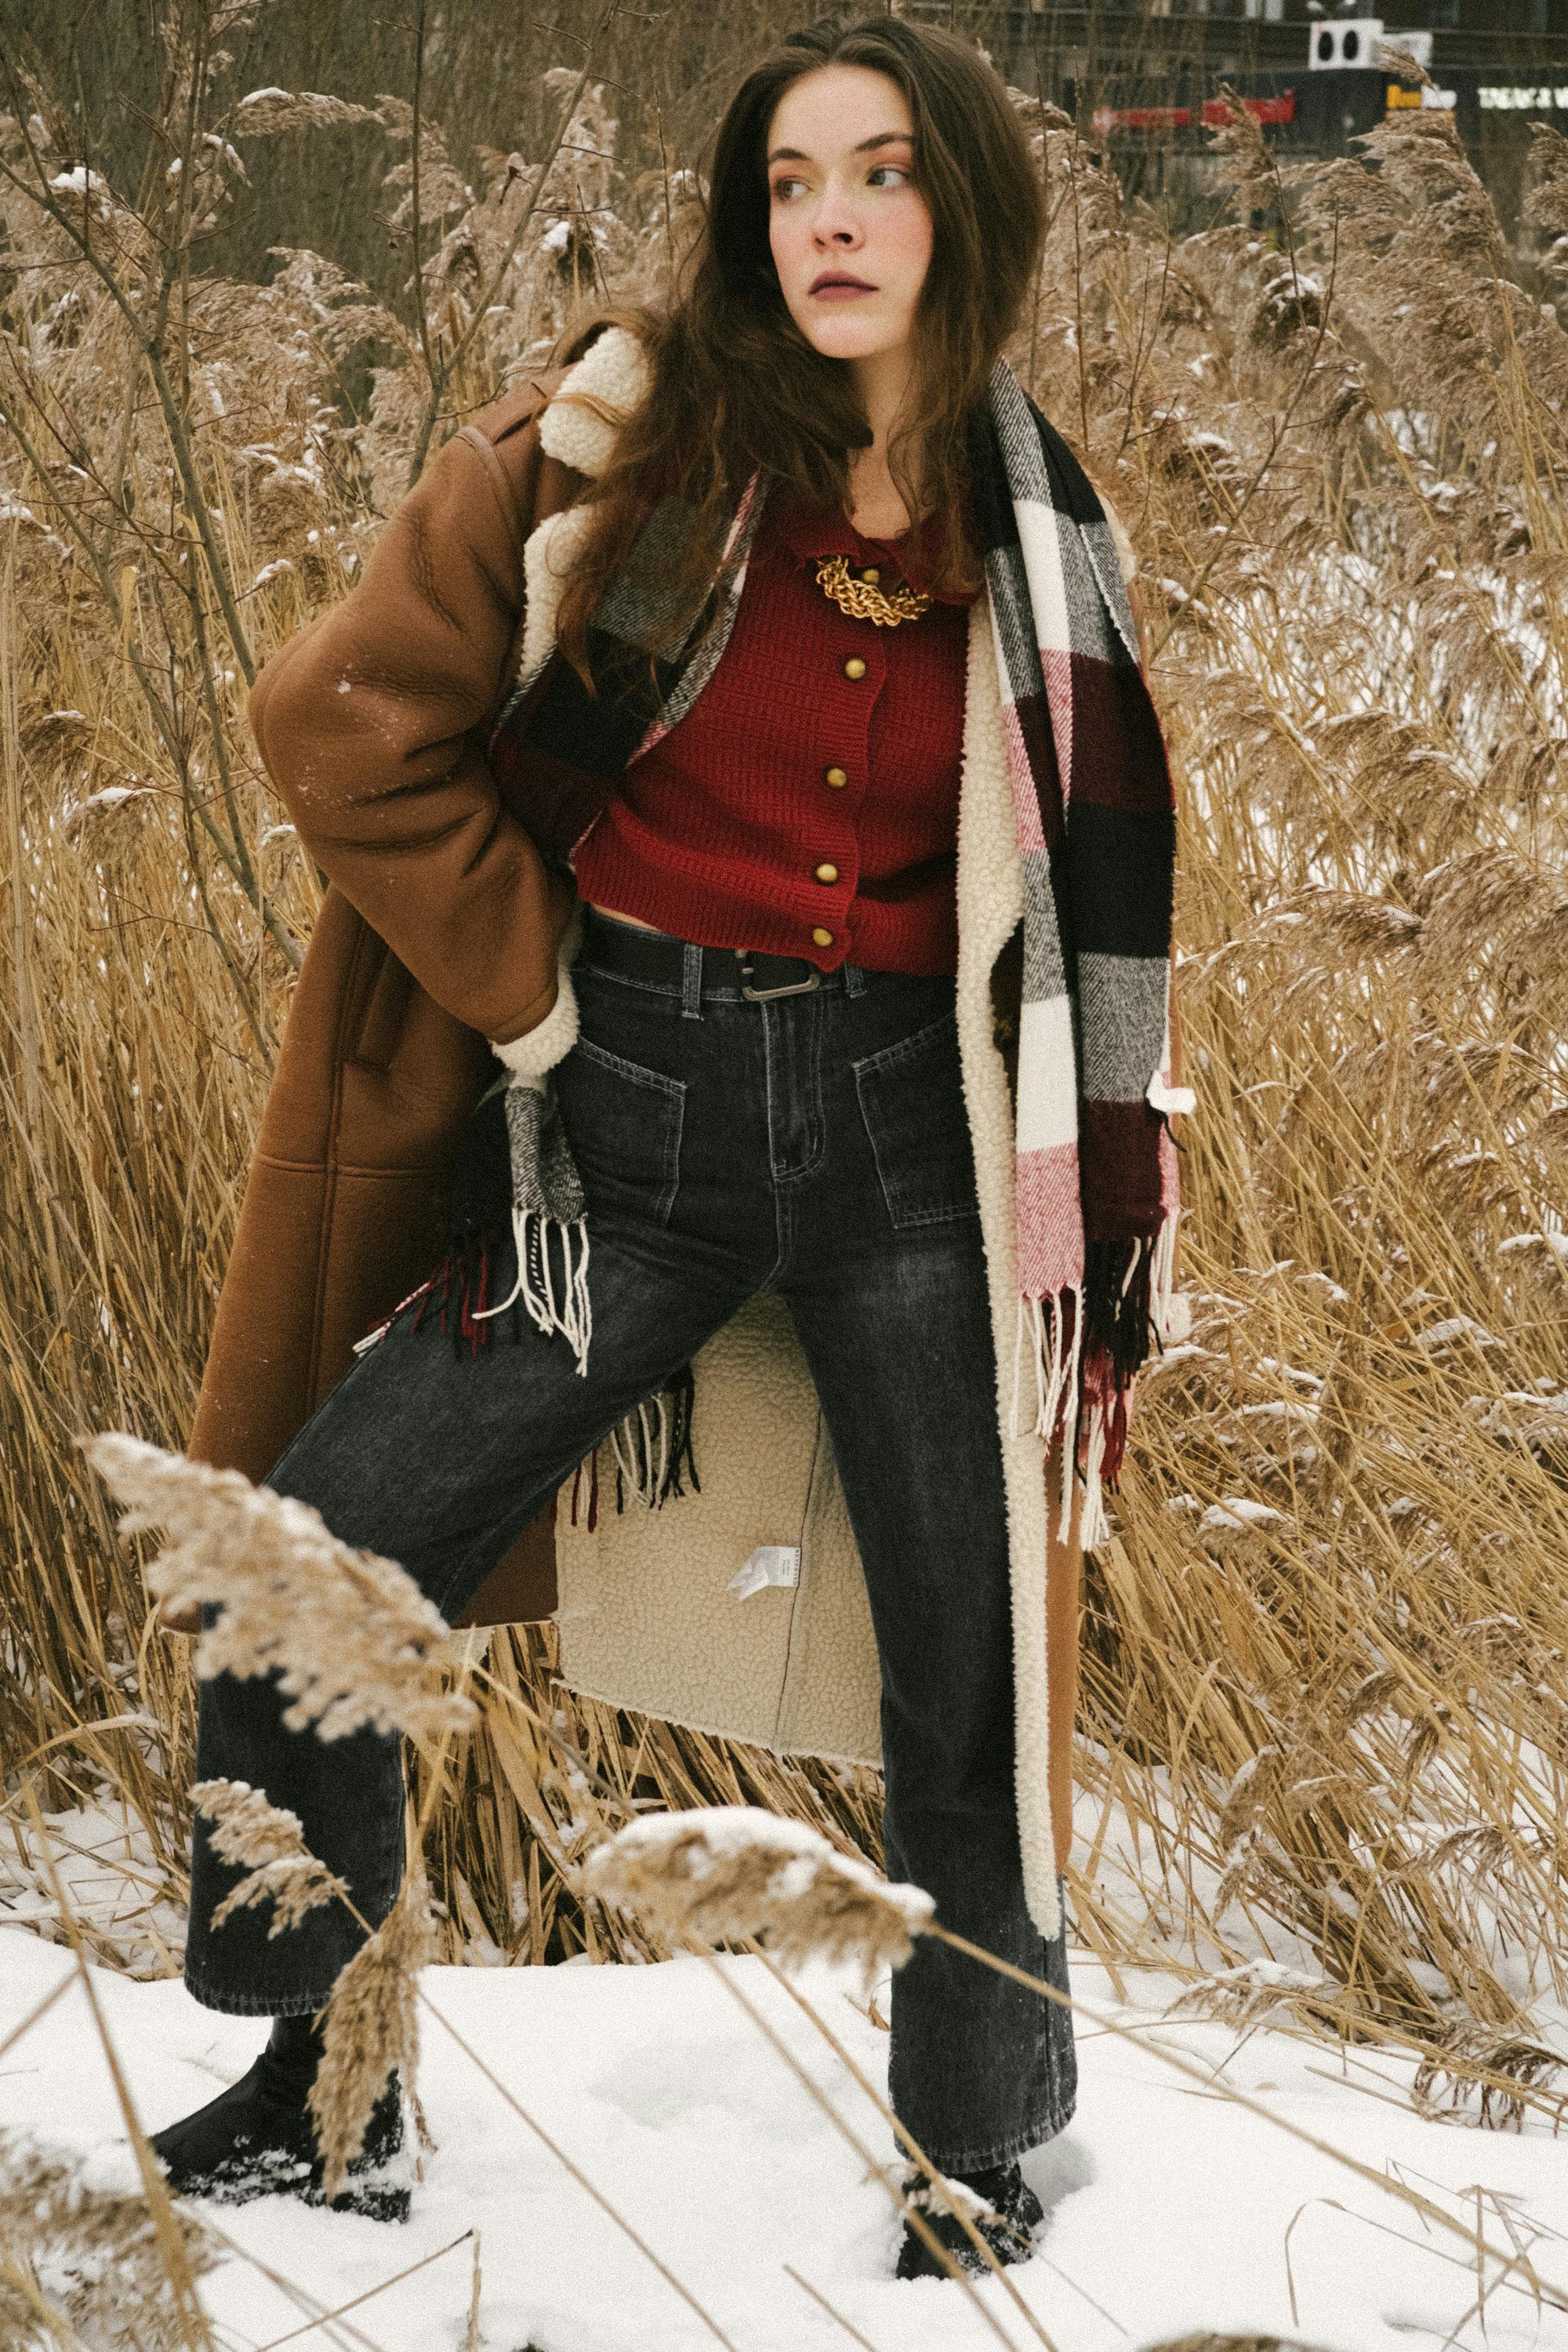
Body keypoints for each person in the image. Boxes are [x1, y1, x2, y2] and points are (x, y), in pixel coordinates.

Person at [150, 9, 1186, 2280]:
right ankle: (332, 2089)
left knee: (966, 1671)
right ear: (751, 217)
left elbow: (1072, 895)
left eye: (886, 170)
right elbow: (335, 717)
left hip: (915, 1152)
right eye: (796, 176)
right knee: (298, 1561)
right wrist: (529, 991)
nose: (834, 215)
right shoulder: (622, 445)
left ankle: (979, 2148)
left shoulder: (1043, 528)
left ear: (963, 208)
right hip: (613, 1141)